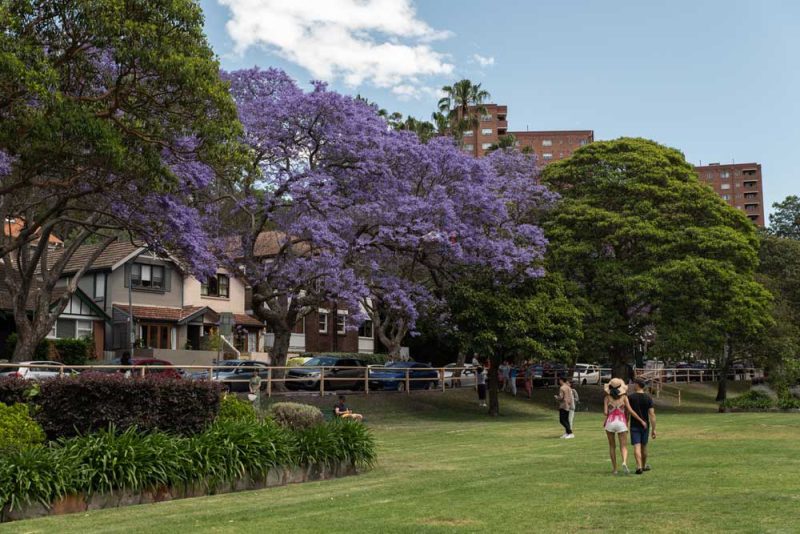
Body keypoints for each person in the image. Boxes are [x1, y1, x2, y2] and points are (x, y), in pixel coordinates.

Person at [603, 378, 648, 475]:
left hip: (610, 422)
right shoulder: (624, 397)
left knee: (612, 446)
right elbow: (631, 411)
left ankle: (615, 469)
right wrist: (641, 420)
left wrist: (608, 416)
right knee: (623, 446)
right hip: (621, 422)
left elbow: (605, 412)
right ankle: (624, 462)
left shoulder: (607, 398)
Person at [628, 378, 657, 474]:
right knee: (644, 446)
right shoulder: (648, 398)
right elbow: (652, 414)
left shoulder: (630, 397)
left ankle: (639, 467)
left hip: (634, 425)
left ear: (637, 385)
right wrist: (653, 429)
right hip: (645, 426)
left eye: (634, 384)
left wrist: (626, 423)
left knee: (637, 446)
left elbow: (627, 413)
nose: (633, 385)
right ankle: (644, 466)